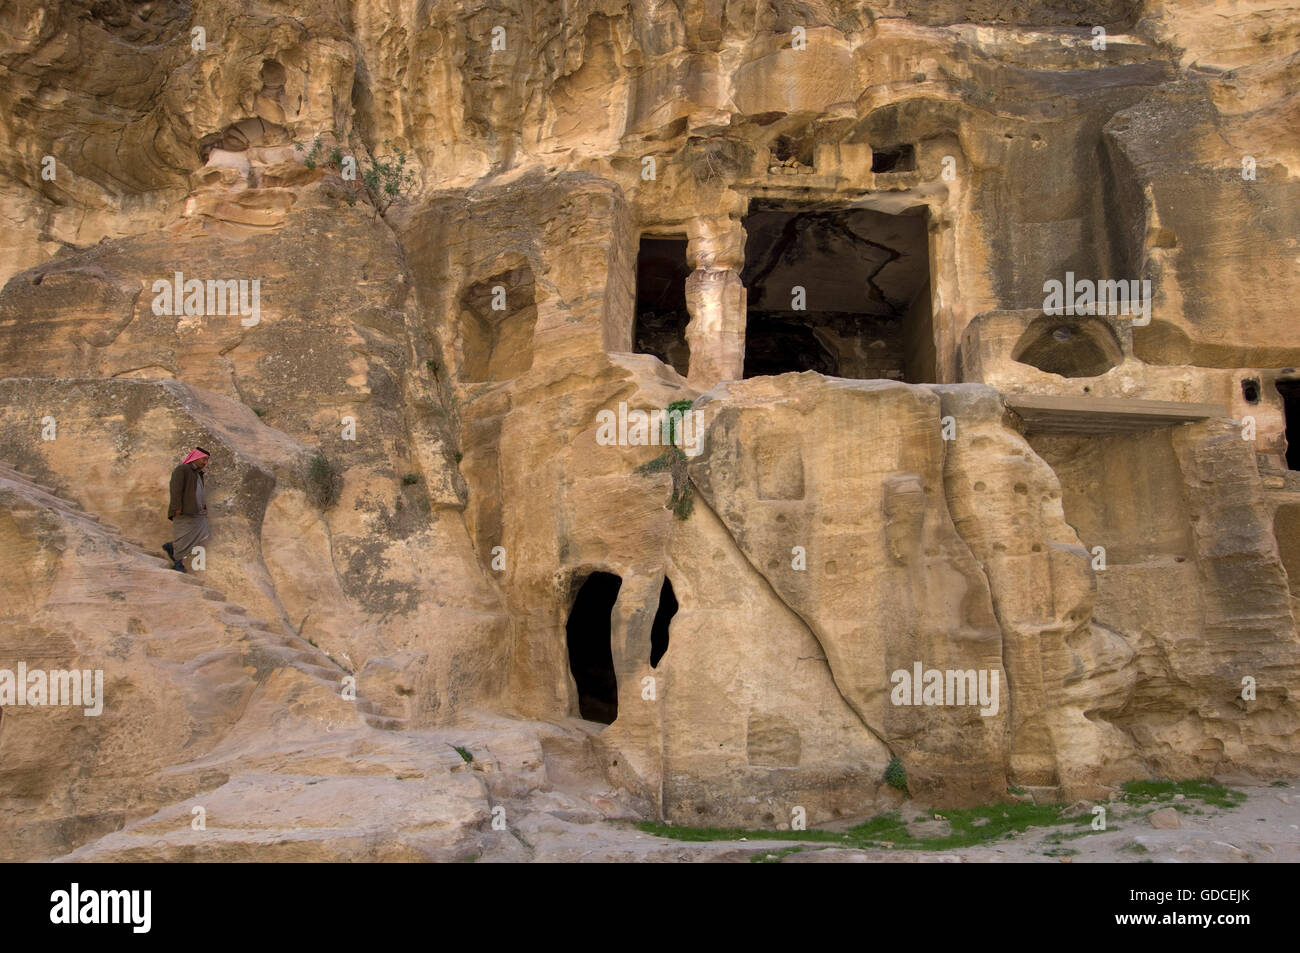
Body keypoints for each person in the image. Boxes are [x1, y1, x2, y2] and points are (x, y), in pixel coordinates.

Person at [163, 447, 211, 572]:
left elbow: (200, 492)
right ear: (196, 457)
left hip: (197, 511)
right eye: (203, 459)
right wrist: (176, 507)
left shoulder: (198, 473)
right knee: (182, 536)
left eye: (207, 460)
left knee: (202, 532)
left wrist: (204, 507)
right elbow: (175, 489)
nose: (205, 462)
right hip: (183, 510)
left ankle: (172, 547)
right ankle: (178, 563)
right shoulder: (182, 470)